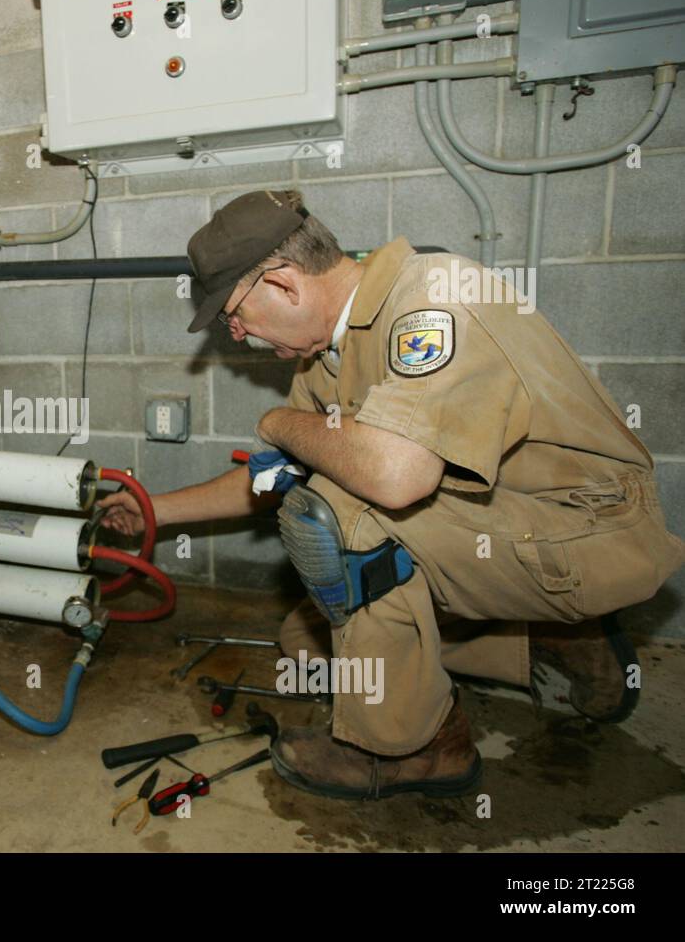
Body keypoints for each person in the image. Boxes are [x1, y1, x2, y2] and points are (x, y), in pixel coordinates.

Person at [98, 189, 684, 800]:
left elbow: (396, 478)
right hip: (507, 535)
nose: (238, 335)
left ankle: (417, 748)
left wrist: (274, 424)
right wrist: (153, 511)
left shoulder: (435, 299)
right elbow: (278, 477)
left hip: (590, 534)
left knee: (343, 520)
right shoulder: (326, 356)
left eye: (233, 315)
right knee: (307, 646)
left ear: (282, 283)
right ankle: (550, 643)